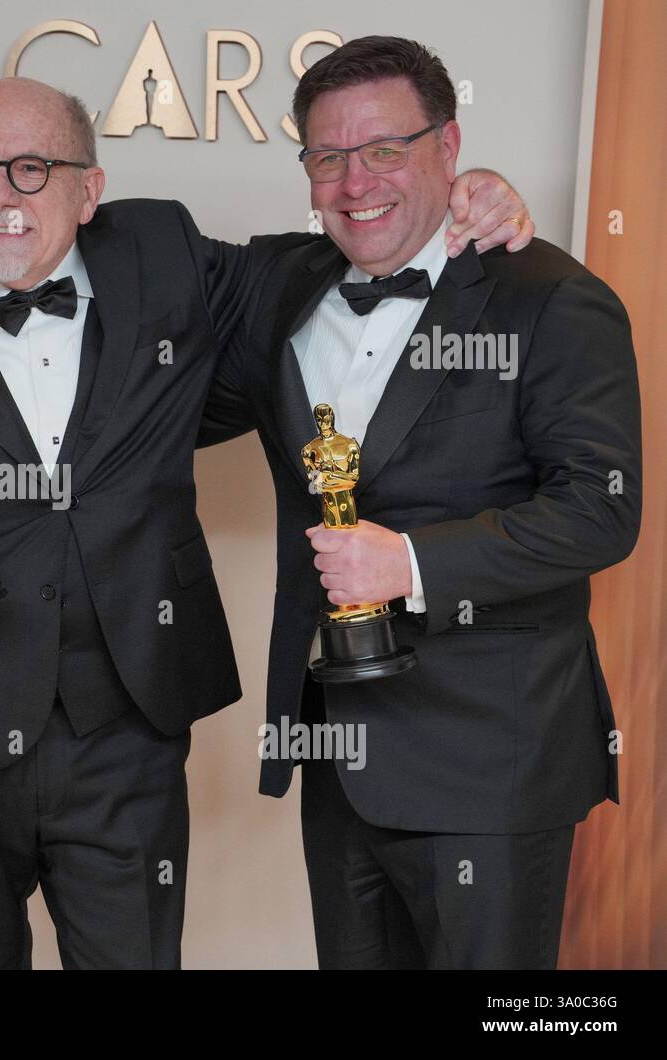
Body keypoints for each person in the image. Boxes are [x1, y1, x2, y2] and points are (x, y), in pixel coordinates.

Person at [0, 75, 530, 969]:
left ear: (91, 189)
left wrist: (467, 196)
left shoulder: (161, 257)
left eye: (32, 169)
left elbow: (334, 254)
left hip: (126, 732)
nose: (0, 194)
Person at [202, 36, 641, 968]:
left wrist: (407, 563)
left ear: (449, 150)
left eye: (384, 151)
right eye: (328, 157)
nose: (355, 182)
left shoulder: (553, 299)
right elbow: (133, 287)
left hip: (493, 763)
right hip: (340, 756)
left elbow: (602, 509)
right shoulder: (281, 286)